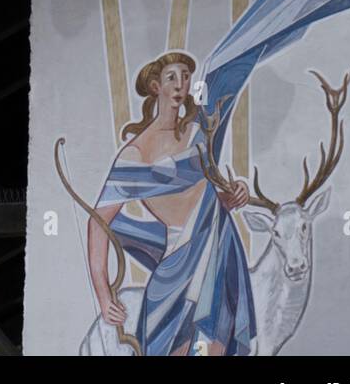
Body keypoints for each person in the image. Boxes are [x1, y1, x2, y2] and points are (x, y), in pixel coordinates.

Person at [88, 51, 255, 356]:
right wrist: (103, 295)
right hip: (176, 265)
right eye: (171, 77)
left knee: (219, 347)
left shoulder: (198, 137)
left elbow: (207, 202)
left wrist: (236, 193)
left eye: (186, 76)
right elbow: (98, 222)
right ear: (156, 87)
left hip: (220, 251)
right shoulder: (135, 154)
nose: (180, 84)